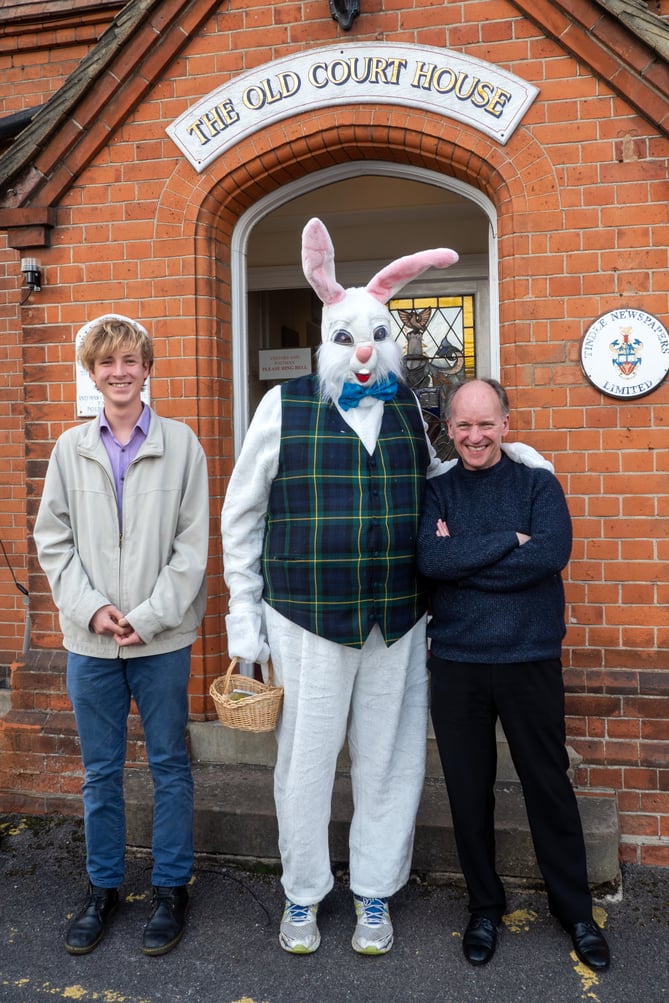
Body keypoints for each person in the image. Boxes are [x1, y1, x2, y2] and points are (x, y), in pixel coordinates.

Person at [221, 219, 547, 956]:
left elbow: (432, 481)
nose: (363, 350)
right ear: (328, 336)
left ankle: (374, 892)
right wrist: (245, 617)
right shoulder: (284, 407)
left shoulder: (404, 406)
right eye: (348, 336)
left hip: (398, 620)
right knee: (303, 766)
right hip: (306, 618)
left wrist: (512, 452)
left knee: (391, 761)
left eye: (375, 335)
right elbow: (239, 516)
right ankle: (301, 895)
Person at [416, 378, 610, 971]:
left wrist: (465, 559)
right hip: (457, 664)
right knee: (468, 792)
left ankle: (574, 910)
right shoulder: (437, 492)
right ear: (449, 431)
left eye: (486, 424)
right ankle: (484, 907)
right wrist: (506, 541)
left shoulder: (537, 485)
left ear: (506, 423)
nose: (476, 437)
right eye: (464, 426)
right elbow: (429, 560)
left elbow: (549, 555)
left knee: (547, 787)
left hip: (528, 660)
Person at [34, 314, 209, 957]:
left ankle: (170, 889)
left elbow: (192, 549)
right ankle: (102, 889)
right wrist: (95, 610)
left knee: (169, 767)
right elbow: (53, 544)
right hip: (91, 642)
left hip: (160, 641)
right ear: (92, 373)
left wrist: (149, 615)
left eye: (131, 360)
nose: (119, 372)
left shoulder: (184, 444)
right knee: (100, 772)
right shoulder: (68, 448)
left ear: (147, 367)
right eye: (107, 363)